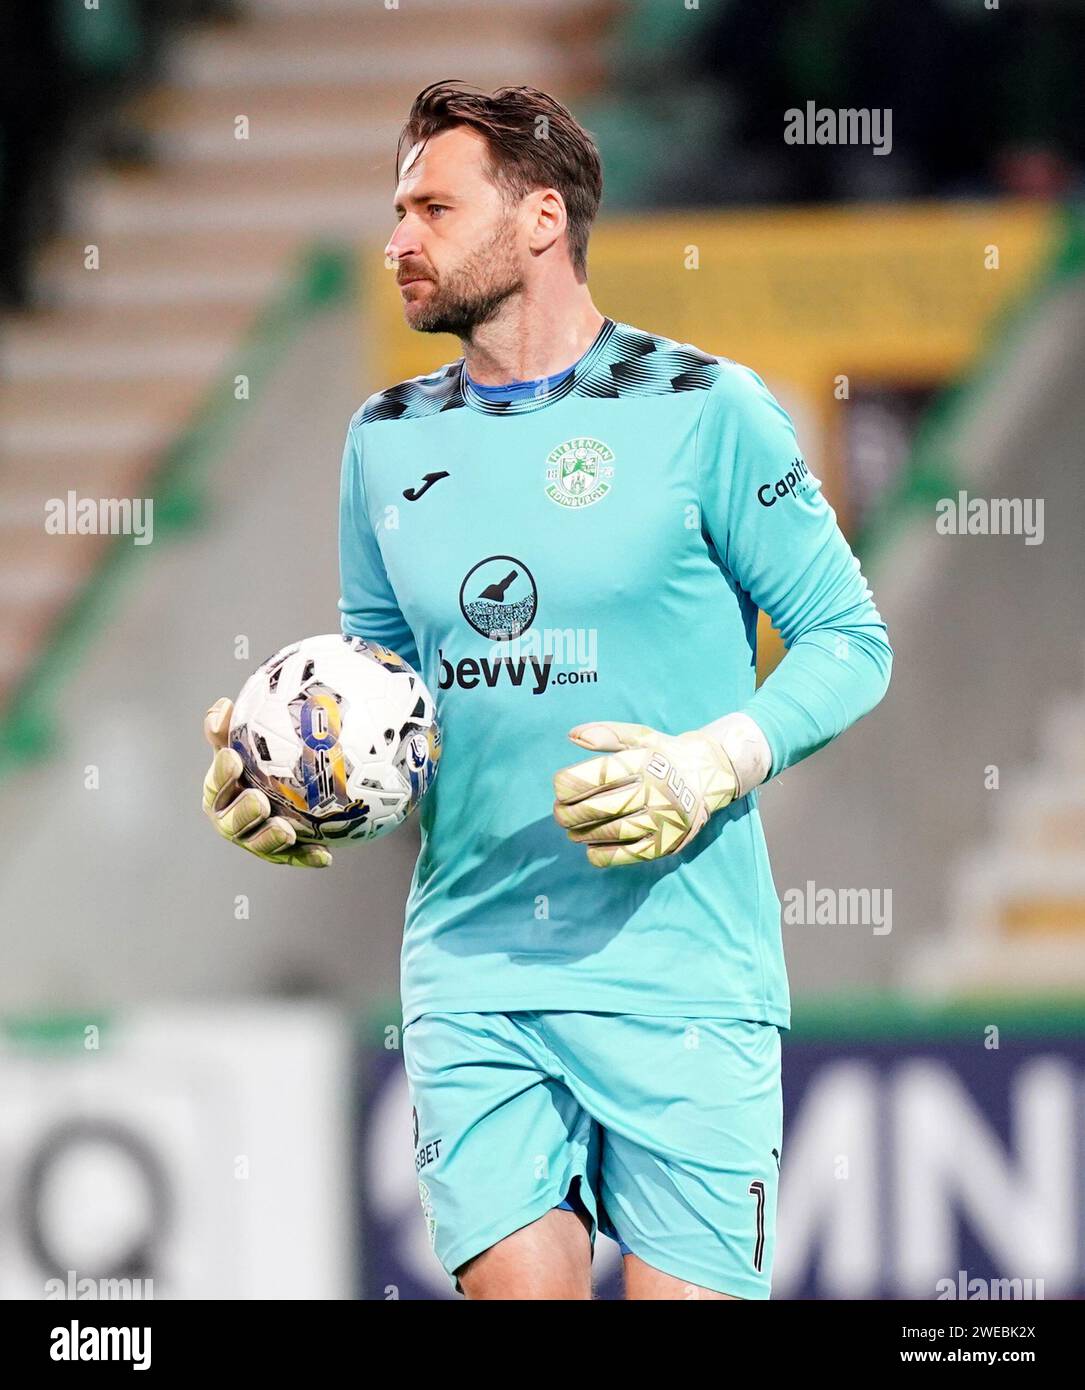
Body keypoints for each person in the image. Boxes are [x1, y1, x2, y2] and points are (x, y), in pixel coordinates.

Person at [202, 81, 892, 1300]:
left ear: (537, 220)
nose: (396, 240)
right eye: (392, 210)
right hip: (475, 971)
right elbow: (383, 692)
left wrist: (706, 763)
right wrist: (287, 774)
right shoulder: (386, 436)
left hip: (683, 976)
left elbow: (847, 640)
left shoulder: (705, 410)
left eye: (430, 206)